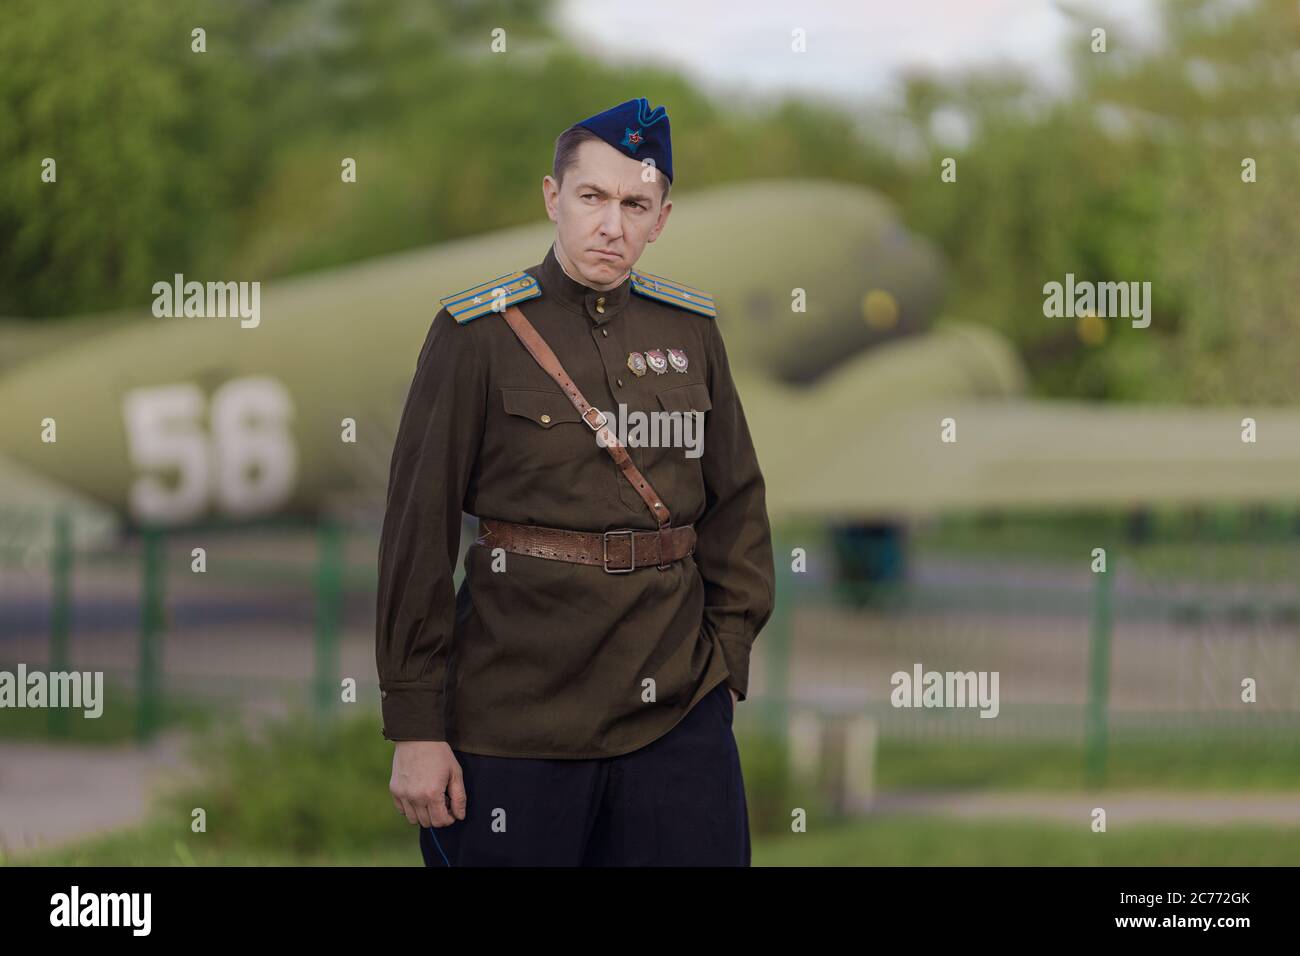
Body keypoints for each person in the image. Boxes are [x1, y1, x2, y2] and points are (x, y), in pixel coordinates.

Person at [375, 97, 775, 866]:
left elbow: (738, 506)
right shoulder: (477, 335)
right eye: (592, 197)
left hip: (676, 713)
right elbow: (415, 532)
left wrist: (726, 658)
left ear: (661, 218)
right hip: (514, 718)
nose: (611, 224)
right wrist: (416, 727)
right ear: (553, 199)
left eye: (635, 204)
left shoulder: (690, 334)